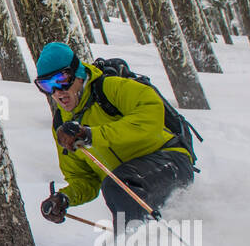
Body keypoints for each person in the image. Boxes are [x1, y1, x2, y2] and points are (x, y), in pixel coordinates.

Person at [33, 42, 193, 228]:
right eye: (46, 85)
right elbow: (84, 179)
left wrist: (91, 135)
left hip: (170, 160)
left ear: (78, 72)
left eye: (61, 80)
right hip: (130, 182)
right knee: (118, 186)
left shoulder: (110, 88)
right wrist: (65, 198)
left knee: (117, 186)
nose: (57, 92)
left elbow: (151, 117)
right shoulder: (61, 124)